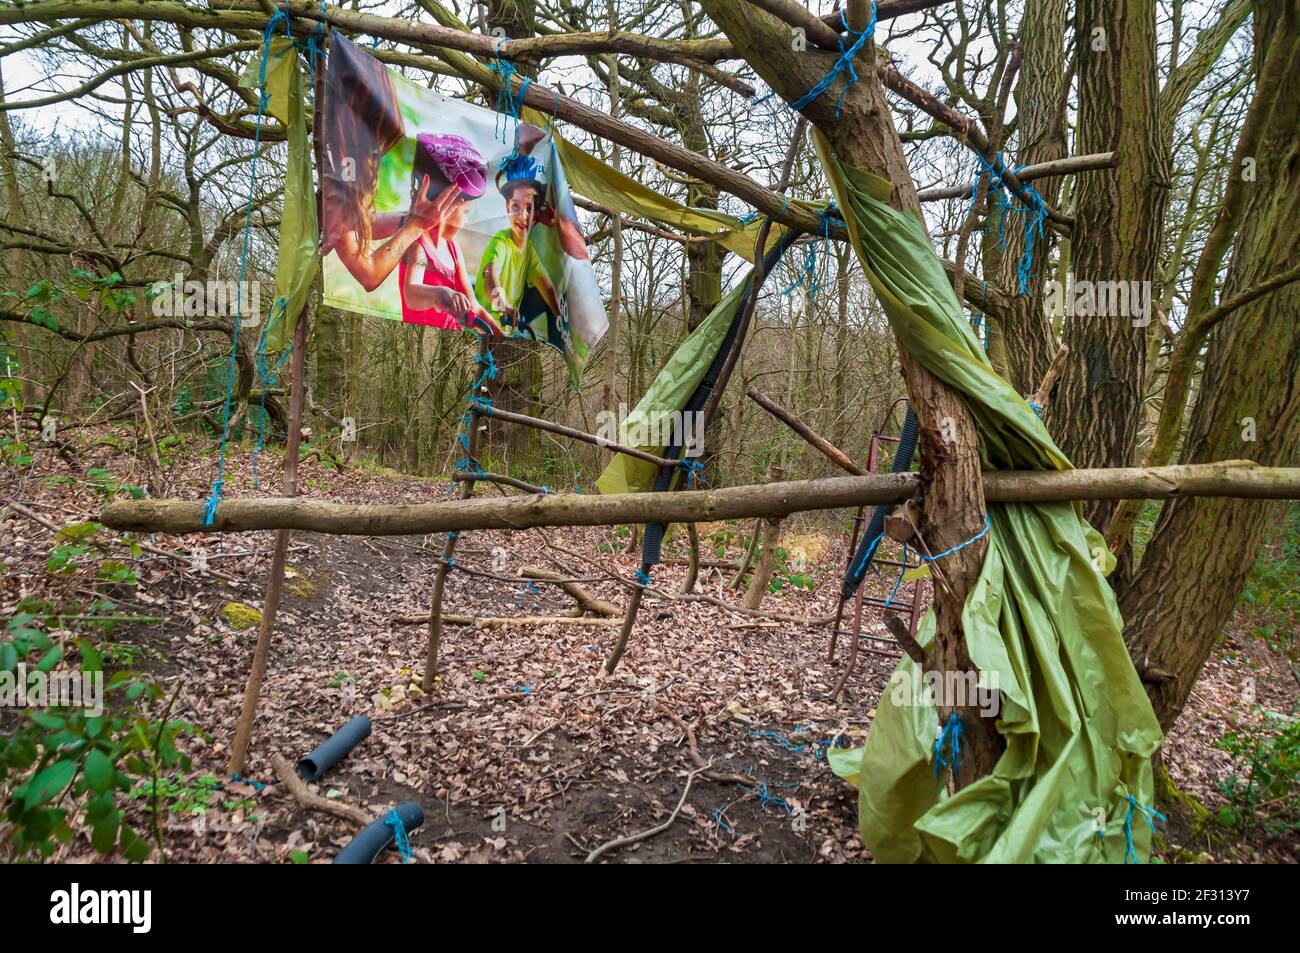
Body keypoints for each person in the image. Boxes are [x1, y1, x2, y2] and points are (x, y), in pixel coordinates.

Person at [321, 32, 451, 292]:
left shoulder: (348, 161)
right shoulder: (338, 166)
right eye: (373, 147)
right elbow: (368, 273)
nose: (376, 157)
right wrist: (415, 226)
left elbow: (359, 220)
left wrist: (407, 219)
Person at [398, 134, 501, 334]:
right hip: (422, 333)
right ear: (446, 205)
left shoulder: (453, 250)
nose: (466, 221)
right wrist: (440, 294)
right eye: (465, 213)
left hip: (452, 333)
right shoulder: (418, 244)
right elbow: (411, 293)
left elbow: (475, 307)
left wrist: (500, 335)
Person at [474, 154, 561, 339]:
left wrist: (561, 318)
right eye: (515, 207)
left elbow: (546, 286)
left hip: (507, 331)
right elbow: (491, 274)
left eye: (529, 208)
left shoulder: (528, 250)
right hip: (483, 327)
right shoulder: (501, 241)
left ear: (536, 215)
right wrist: (505, 306)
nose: (522, 216)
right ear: (507, 208)